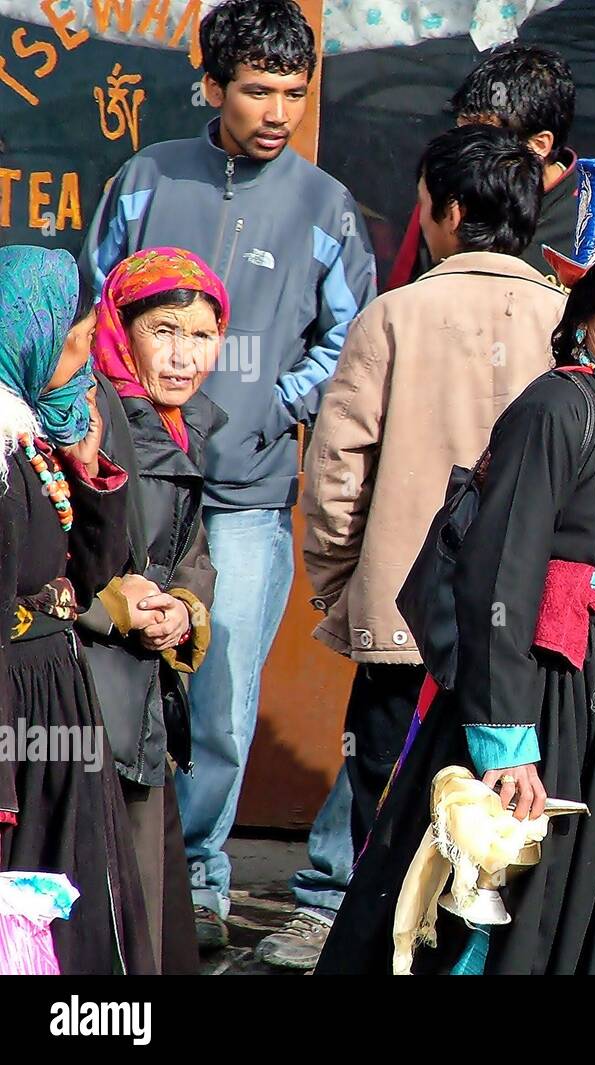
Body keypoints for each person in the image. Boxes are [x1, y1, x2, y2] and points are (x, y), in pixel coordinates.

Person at [317, 158, 595, 975]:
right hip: (558, 697)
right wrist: (507, 739)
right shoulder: (555, 411)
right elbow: (497, 578)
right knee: (525, 912)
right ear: (585, 314)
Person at [79, 0, 377, 950]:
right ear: (211, 86)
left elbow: (349, 338)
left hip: (244, 496)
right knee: (106, 679)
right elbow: (93, 309)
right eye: (257, 90)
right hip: (121, 484)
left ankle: (200, 877)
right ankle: (114, 869)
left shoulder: (325, 205)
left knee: (218, 697)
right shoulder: (147, 176)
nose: (279, 110)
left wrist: (275, 404)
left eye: (295, 91)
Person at [253, 124, 564, 970]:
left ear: (449, 212)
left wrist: (341, 583)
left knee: (391, 818)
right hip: (532, 631)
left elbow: (336, 470)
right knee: (507, 818)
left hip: (402, 620)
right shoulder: (568, 322)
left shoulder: (394, 315)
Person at [74, 247, 229, 975]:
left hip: (142, 692)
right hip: (88, 688)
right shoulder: (88, 418)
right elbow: (57, 550)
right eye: (165, 330)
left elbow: (188, 551)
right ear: (121, 327)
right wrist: (119, 603)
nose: (184, 355)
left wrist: (185, 608)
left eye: (202, 336)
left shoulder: (179, 421)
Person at [0, 246, 154, 974]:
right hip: (16, 724)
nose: (88, 356)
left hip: (56, 701)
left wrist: (90, 473)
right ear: (27, 338)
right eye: (76, 342)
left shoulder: (32, 437)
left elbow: (89, 579)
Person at [386, 44, 579, 291]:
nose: (465, 148)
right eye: (462, 131)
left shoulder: (591, 216)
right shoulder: (443, 197)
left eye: (485, 135)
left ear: (539, 145)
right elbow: (401, 302)